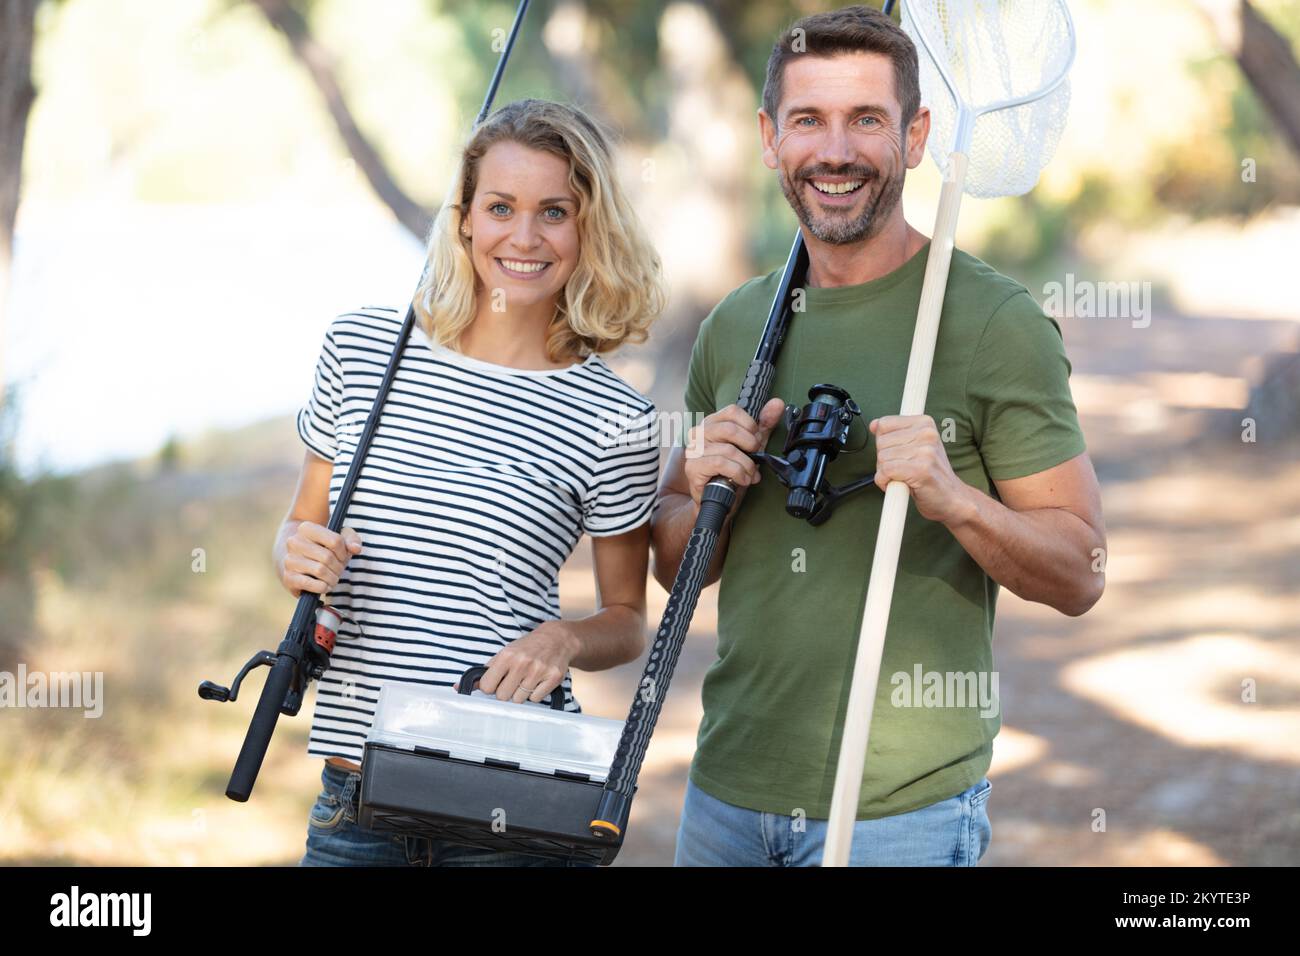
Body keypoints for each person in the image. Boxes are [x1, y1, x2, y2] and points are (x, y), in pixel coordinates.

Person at [652, 5, 1106, 867]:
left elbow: (1082, 572)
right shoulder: (736, 327)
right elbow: (677, 568)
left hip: (900, 815)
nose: (836, 151)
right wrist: (708, 490)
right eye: (808, 120)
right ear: (768, 137)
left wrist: (956, 501)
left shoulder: (993, 321)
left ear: (916, 135)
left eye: (867, 119)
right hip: (724, 801)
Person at [277, 98, 666, 866]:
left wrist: (562, 638)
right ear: (463, 219)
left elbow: (627, 619)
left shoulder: (615, 415)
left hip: (512, 800)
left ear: (589, 228)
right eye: (500, 207)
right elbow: (298, 528)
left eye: (554, 211)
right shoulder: (362, 350)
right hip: (354, 799)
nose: (524, 237)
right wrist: (293, 553)